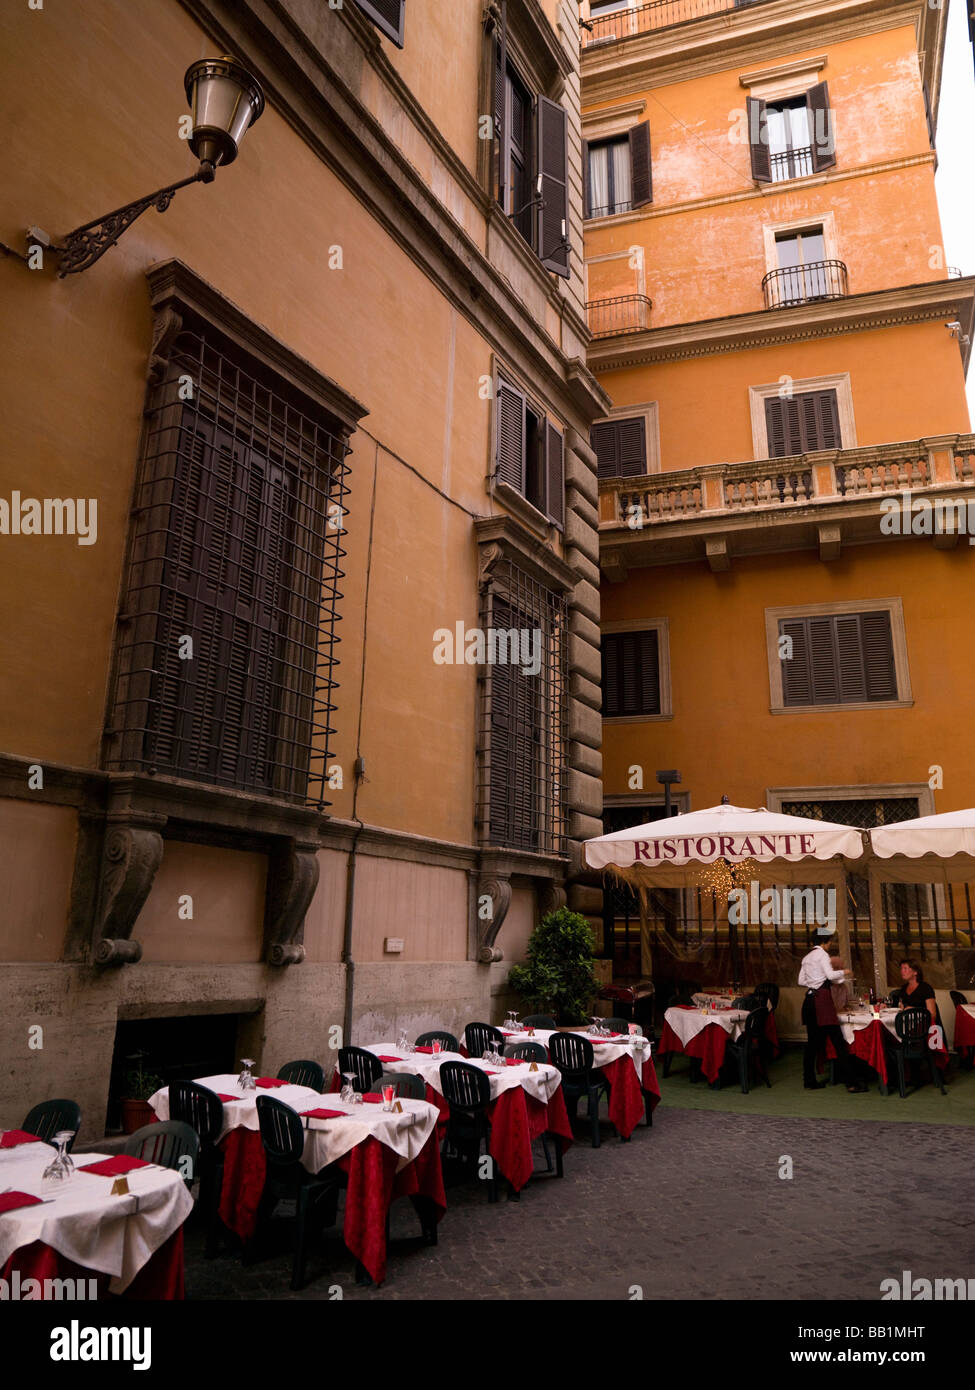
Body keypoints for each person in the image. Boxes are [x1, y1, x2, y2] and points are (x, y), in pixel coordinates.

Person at [798, 926, 868, 1092]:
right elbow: (830, 976)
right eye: (829, 941)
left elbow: (801, 981)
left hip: (809, 1001)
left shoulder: (807, 957)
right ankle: (852, 1083)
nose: (830, 944)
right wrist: (845, 972)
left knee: (812, 1045)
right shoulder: (822, 955)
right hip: (822, 1002)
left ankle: (809, 1081)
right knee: (838, 1043)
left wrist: (814, 983)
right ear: (824, 941)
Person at [896, 958, 942, 1030]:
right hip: (908, 1026)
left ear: (915, 972)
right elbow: (900, 1007)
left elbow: (932, 1015)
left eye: (905, 968)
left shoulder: (925, 988)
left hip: (925, 1028)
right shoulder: (903, 988)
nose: (902, 971)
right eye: (901, 968)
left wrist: (914, 1010)